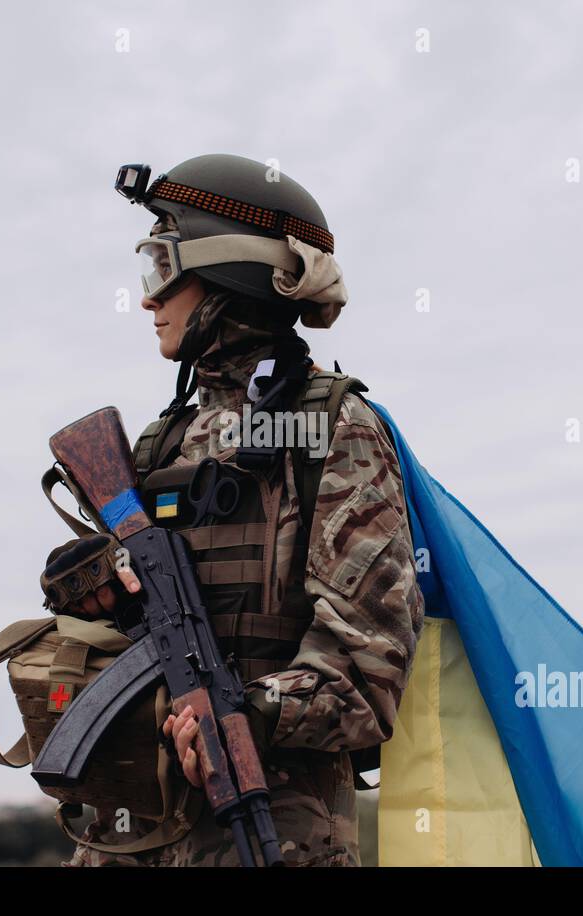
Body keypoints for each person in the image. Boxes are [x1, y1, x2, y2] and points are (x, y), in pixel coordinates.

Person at [53, 154, 423, 866]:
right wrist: (85, 582)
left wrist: (249, 712)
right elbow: (105, 632)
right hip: (130, 831)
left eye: (162, 267)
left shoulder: (332, 427)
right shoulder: (161, 441)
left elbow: (368, 659)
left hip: (271, 831)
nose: (146, 298)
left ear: (228, 273)